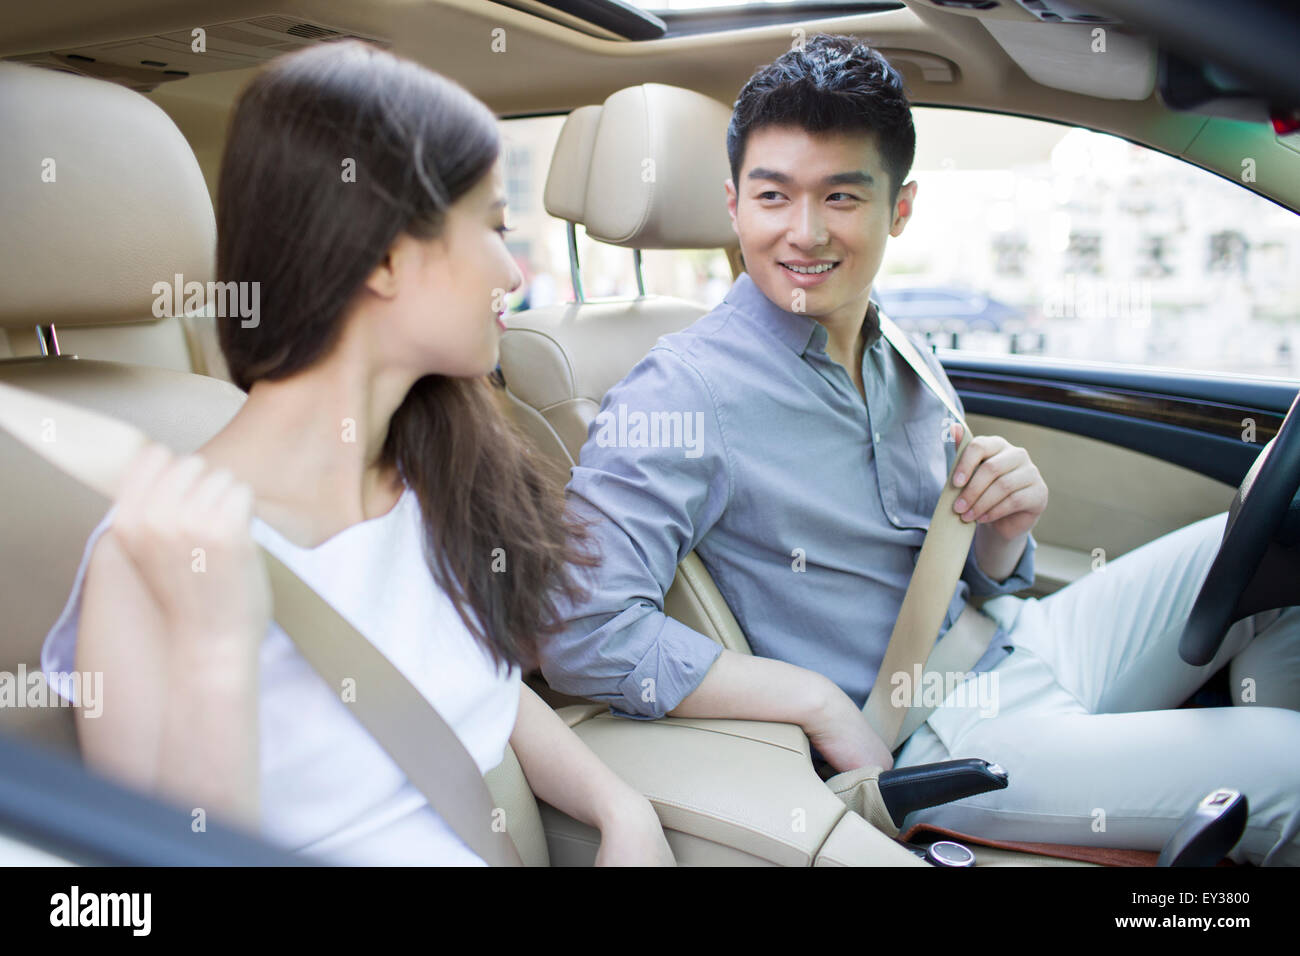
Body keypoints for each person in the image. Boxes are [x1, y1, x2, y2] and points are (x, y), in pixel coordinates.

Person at [537, 33, 1300, 865]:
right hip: (937, 733)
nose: (803, 233)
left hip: (1018, 635)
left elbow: (954, 562)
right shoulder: (682, 391)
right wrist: (817, 702)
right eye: (772, 196)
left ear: (899, 210)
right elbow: (579, 630)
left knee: (1283, 555)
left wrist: (1006, 535)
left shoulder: (895, 342)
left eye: (841, 197)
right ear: (733, 205)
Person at [39, 40, 673, 866]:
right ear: (383, 257)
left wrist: (622, 811)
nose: (512, 273)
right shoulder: (156, 552)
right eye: (492, 227)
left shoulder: (430, 474)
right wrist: (215, 648)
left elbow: (469, 684)